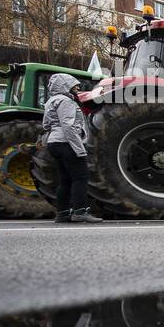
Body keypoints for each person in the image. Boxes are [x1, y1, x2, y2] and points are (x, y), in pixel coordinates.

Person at [41, 73, 102, 223]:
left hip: (54, 142)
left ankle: (62, 213)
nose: (77, 88)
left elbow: (46, 125)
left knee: (65, 180)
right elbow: (68, 127)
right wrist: (79, 149)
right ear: (65, 86)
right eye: (74, 86)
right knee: (80, 178)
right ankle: (80, 211)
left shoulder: (51, 101)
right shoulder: (66, 101)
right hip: (66, 143)